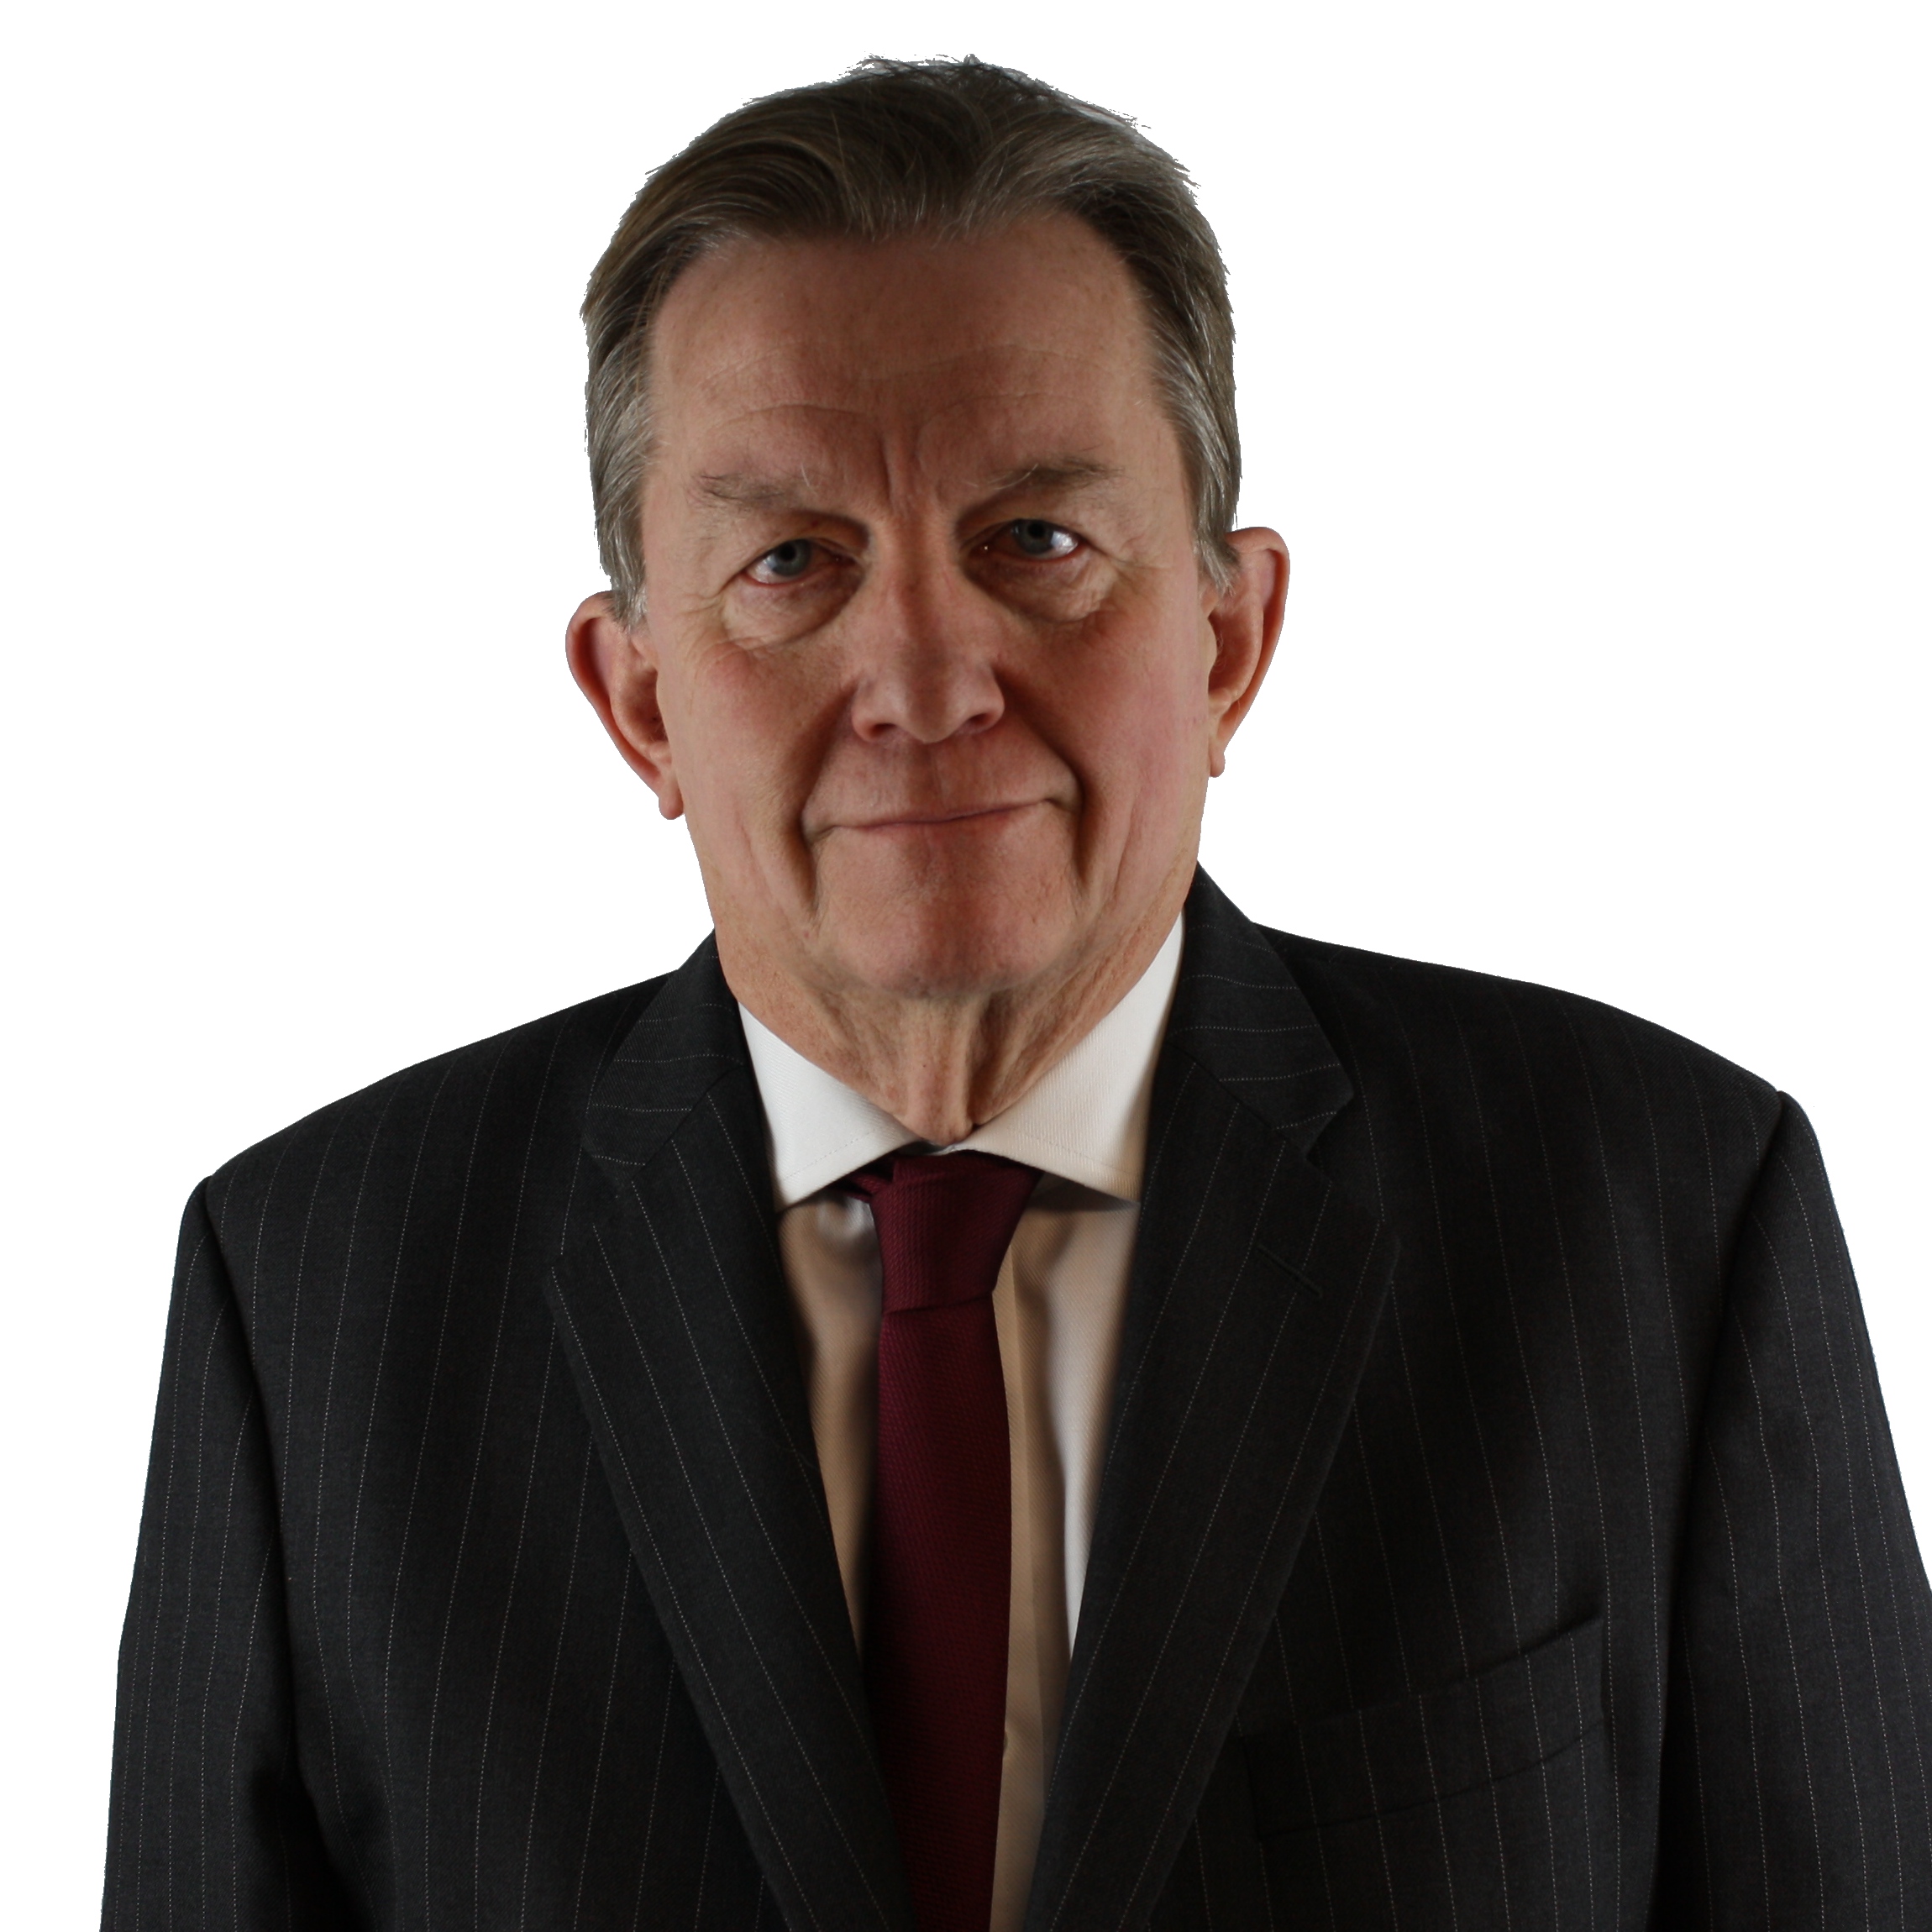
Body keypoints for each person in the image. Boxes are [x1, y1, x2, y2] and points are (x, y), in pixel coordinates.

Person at [102, 56, 1931, 1932]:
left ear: (1229, 637)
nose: (925, 677)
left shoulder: (1664, 1221)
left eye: (1035, 542)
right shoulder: (309, 1299)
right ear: (637, 699)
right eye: (792, 562)